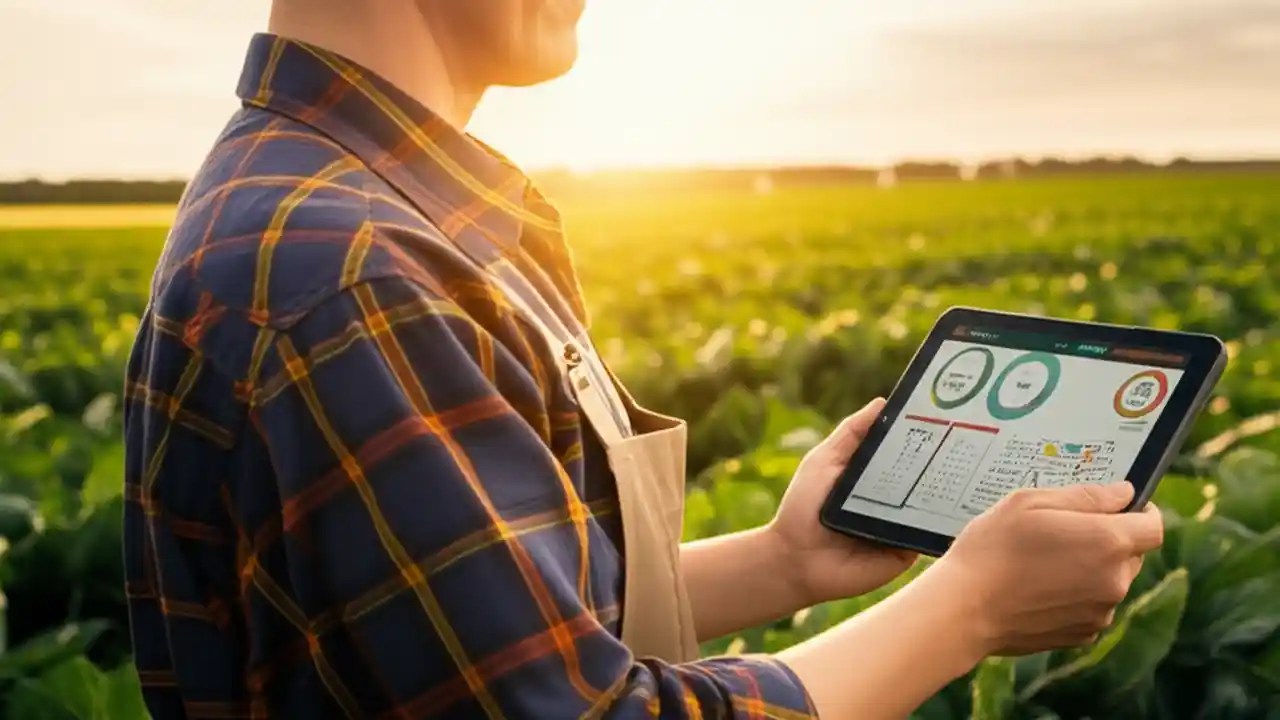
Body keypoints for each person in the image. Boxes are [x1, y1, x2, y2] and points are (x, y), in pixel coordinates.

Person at [122, 1, 1165, 718]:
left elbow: (476, 636)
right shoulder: (355, 267)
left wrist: (779, 565)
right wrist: (967, 608)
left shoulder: (343, 200)